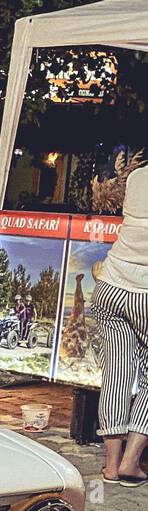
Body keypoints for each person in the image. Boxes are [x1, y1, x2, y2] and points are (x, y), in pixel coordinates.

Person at [90, 165, 148, 486]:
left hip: (110, 287)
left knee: (117, 373)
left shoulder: (138, 177)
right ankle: (131, 463)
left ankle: (111, 467)